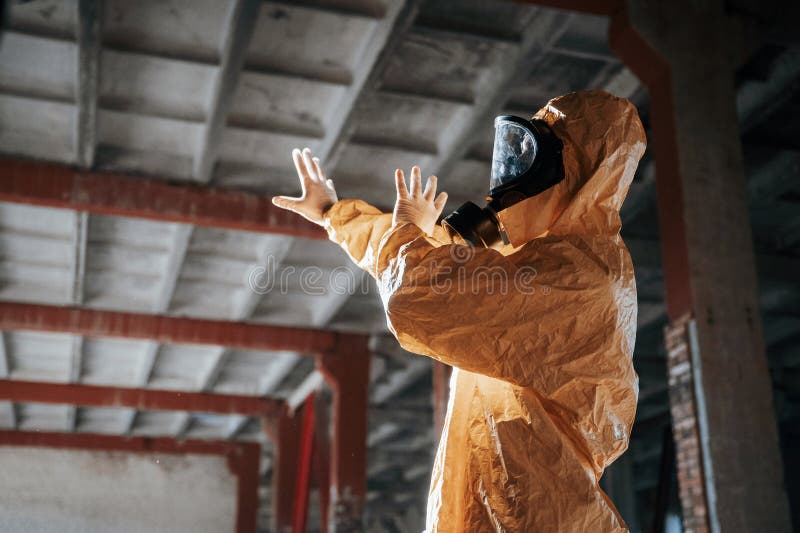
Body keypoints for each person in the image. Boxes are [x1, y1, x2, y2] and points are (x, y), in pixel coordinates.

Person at [273, 90, 646, 532]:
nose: (511, 178)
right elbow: (436, 267)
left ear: (573, 171)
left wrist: (410, 229)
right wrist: (337, 215)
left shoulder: (577, 276)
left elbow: (416, 294)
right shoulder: (548, 264)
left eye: (528, 158)